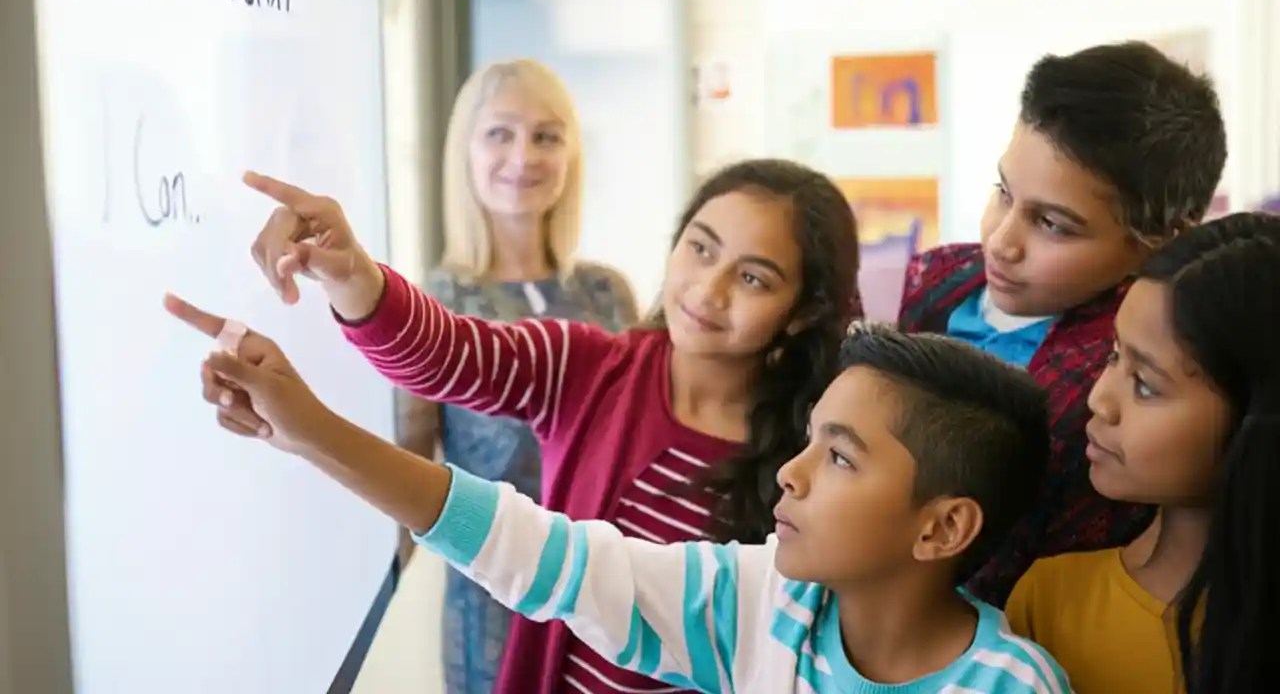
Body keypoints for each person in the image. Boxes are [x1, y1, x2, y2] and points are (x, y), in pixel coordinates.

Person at [166, 298, 1069, 693]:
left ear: (943, 526)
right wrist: (312, 429)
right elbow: (532, 550)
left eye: (840, 459)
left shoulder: (1011, 686)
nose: (791, 474)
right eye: (807, 442)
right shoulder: (760, 605)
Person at [231, 160, 862, 693]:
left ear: (804, 312)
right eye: (700, 247)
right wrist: (350, 275)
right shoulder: (587, 368)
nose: (709, 288)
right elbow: (448, 354)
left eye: (752, 277)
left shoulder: (814, 454)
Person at [898, 40, 1228, 605]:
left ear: (1165, 239)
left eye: (1052, 224)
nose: (1001, 243)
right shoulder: (938, 278)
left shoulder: (1118, 376)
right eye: (1004, 193)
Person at [393, 59, 638, 693]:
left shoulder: (608, 295)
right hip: (494, 610)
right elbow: (405, 460)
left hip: (610, 595)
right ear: (465, 150)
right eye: (500, 133)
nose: (523, 155)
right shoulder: (435, 303)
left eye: (546, 135)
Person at [1005, 212, 1280, 694]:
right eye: (1113, 356)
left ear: (1255, 415)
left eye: (1146, 386)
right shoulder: (1051, 603)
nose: (1098, 399)